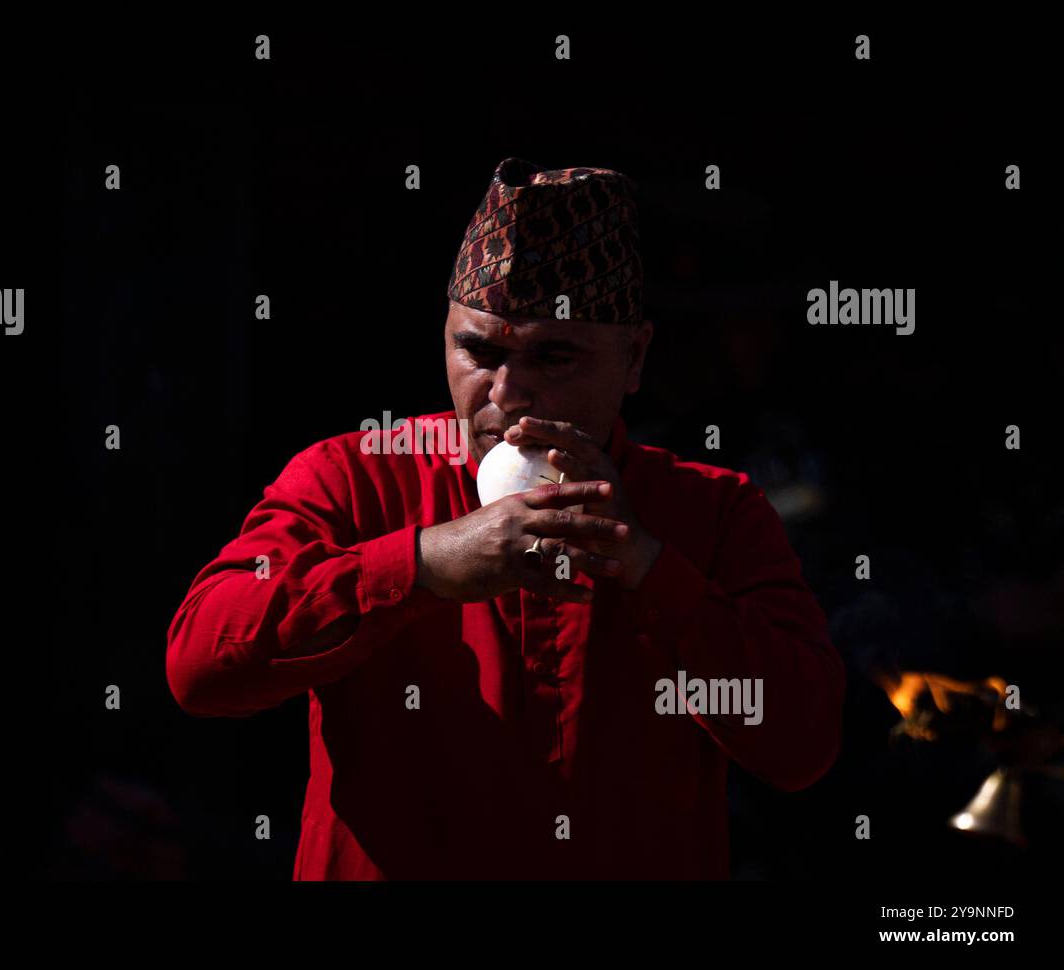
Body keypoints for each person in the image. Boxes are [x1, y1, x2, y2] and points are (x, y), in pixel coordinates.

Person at [165, 157, 845, 879]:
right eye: (478, 351)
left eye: (555, 356)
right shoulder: (354, 477)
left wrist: (649, 569)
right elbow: (199, 668)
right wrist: (420, 566)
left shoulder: (711, 510)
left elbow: (803, 748)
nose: (509, 392)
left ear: (634, 357)